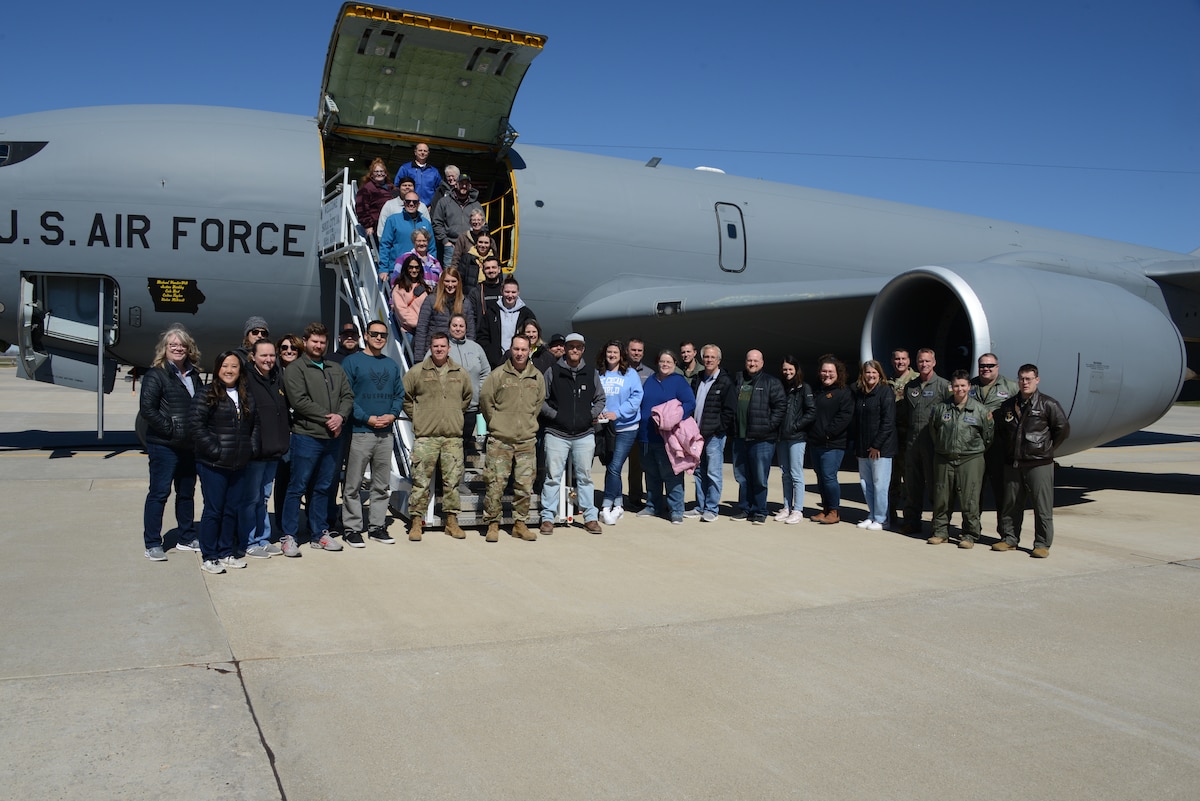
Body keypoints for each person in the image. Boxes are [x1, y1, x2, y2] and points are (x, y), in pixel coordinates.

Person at [281, 322, 354, 553]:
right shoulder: (296, 369)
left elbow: (347, 396)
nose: (319, 345)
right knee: (297, 486)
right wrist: (328, 418)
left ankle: (319, 533)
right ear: (305, 342)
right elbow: (299, 401)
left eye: (323, 342)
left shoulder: (334, 368)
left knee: (323, 487)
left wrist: (340, 417)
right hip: (307, 437)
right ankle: (289, 535)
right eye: (315, 341)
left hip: (333, 438)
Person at [190, 350, 259, 574]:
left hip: (238, 463)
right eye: (225, 366)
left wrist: (251, 448)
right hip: (214, 464)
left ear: (240, 371)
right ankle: (209, 556)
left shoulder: (245, 395)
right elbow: (197, 426)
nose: (229, 371)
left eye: (234, 367)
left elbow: (254, 425)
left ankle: (226, 551)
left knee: (231, 510)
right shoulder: (207, 394)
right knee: (214, 510)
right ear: (218, 368)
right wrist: (215, 450)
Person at [140, 325, 204, 560]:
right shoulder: (156, 374)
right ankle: (153, 543)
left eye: (182, 345)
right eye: (173, 345)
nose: (178, 348)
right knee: (159, 493)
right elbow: (147, 409)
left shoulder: (193, 375)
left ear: (189, 349)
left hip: (189, 446)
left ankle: (186, 537)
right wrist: (171, 429)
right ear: (164, 349)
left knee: (186, 493)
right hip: (164, 445)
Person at [994, 364, 1071, 558]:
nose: (1025, 382)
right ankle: (1009, 539)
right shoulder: (1009, 405)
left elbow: (1062, 429)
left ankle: (1042, 543)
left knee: (1042, 506)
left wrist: (1046, 449)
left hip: (1039, 464)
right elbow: (1003, 431)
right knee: (1011, 504)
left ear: (1037, 380)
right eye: (1021, 379)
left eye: (1029, 379)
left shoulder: (1048, 404)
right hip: (1014, 463)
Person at [402, 331, 473, 541]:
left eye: (443, 346)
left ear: (449, 348)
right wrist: (420, 417)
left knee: (452, 482)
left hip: (452, 437)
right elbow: (405, 397)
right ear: (430, 348)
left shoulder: (460, 373)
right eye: (435, 346)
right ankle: (416, 522)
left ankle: (451, 521)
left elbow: (467, 397)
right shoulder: (417, 372)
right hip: (426, 436)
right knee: (420, 481)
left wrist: (452, 414)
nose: (439, 349)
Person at [340, 319, 405, 547]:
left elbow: (399, 394)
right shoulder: (352, 362)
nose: (379, 338)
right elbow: (346, 396)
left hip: (386, 434)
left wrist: (393, 414)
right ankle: (352, 528)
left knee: (381, 484)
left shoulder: (390, 365)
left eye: (383, 335)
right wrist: (366, 417)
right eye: (374, 334)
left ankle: (377, 527)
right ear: (365, 336)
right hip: (360, 432)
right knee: (353, 484)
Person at [479, 333, 545, 542]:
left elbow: (538, 405)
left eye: (524, 350)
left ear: (529, 351)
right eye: (516, 349)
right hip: (501, 440)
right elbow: (486, 401)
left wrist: (526, 424)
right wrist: (498, 423)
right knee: (495, 484)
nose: (519, 353)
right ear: (510, 349)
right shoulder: (498, 375)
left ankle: (520, 524)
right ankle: (493, 524)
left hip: (526, 440)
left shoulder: (537, 377)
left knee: (525, 485)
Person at [539, 333, 606, 535]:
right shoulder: (553, 371)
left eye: (578, 347)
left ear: (583, 349)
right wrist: (555, 416)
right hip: (557, 433)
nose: (574, 350)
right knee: (552, 477)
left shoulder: (591, 373)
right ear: (566, 349)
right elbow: (541, 399)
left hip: (584, 434)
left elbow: (601, 399)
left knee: (585, 477)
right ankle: (548, 517)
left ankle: (590, 517)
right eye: (571, 347)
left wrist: (589, 415)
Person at [928, 369, 994, 547]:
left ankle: (970, 534)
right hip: (944, 458)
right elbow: (934, 431)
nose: (959, 389)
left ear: (969, 387)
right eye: (956, 385)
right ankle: (940, 531)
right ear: (951, 387)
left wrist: (972, 450)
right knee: (942, 496)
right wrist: (944, 447)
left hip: (970, 459)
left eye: (963, 385)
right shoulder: (941, 408)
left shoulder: (980, 410)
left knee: (969, 498)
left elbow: (988, 436)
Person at [242, 338, 294, 558]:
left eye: (272, 355)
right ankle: (249, 539)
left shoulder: (276, 379)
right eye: (263, 355)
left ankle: (262, 538)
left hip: (273, 449)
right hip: (255, 451)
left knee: (263, 497)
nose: (268, 359)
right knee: (251, 498)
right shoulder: (246, 380)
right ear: (253, 356)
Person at [636, 350, 697, 524]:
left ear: (675, 364)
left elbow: (690, 403)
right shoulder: (651, 380)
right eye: (662, 361)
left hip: (668, 438)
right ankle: (653, 505)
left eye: (668, 362)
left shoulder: (678, 381)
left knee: (672, 474)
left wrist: (675, 417)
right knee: (651, 473)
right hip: (646, 436)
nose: (665, 365)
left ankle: (676, 509)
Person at [730, 349, 786, 524]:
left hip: (762, 439)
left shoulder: (771, 382)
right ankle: (745, 508)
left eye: (755, 361)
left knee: (760, 477)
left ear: (762, 363)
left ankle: (760, 511)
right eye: (749, 361)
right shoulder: (738, 379)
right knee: (742, 476)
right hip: (740, 437)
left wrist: (768, 426)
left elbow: (780, 406)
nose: (752, 364)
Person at [899, 348, 950, 535]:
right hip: (913, 442)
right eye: (921, 361)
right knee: (912, 484)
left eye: (928, 361)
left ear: (934, 363)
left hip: (933, 443)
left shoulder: (944, 386)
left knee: (935, 485)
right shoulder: (910, 387)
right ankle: (911, 521)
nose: (924, 364)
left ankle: (939, 525)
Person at [596, 339, 644, 525]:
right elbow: (594, 397)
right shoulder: (599, 374)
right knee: (611, 466)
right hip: (605, 427)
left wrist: (618, 413)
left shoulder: (630, 374)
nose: (612, 355)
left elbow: (636, 397)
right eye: (609, 352)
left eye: (616, 352)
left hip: (626, 427)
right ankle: (618, 505)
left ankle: (606, 505)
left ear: (621, 355)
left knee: (615, 466)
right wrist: (597, 411)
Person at [969, 352, 1019, 526]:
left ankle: (1006, 533)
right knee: (973, 492)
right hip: (974, 446)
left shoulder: (1011, 387)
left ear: (997, 367)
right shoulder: (969, 385)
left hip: (999, 447)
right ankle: (972, 531)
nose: (986, 369)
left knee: (1002, 492)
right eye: (982, 366)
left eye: (990, 366)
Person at [689, 344, 736, 523]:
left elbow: (729, 410)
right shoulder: (697, 379)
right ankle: (700, 506)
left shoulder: (725, 381)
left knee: (713, 472)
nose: (709, 360)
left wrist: (719, 428)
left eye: (712, 357)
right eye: (706, 357)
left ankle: (711, 508)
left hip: (714, 435)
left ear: (719, 360)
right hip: (697, 434)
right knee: (699, 471)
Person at [808, 355, 854, 525]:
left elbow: (844, 417)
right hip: (816, 443)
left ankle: (834, 511)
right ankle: (826, 508)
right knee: (820, 477)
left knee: (829, 477)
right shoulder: (818, 391)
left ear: (838, 373)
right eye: (824, 371)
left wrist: (827, 433)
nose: (827, 374)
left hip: (833, 444)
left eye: (830, 371)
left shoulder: (844, 393)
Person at [852, 359, 896, 531]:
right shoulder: (861, 393)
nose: (870, 375)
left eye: (874, 372)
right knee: (866, 483)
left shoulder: (885, 392)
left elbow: (888, 422)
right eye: (867, 372)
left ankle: (882, 518)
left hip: (881, 449)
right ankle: (872, 515)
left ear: (880, 374)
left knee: (880, 484)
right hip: (863, 448)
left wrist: (877, 445)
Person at [774, 355, 815, 524]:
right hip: (781, 437)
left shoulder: (804, 388)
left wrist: (796, 426)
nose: (787, 372)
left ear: (796, 370)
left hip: (797, 437)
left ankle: (798, 509)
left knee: (796, 473)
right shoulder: (781, 387)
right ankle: (786, 506)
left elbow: (811, 412)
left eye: (790, 369)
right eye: (785, 369)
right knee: (785, 473)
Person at [446, 313, 491, 454]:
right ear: (449, 328)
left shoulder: (476, 348)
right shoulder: (441, 347)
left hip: (472, 408)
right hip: (449, 409)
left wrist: (479, 391)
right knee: (450, 448)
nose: (458, 329)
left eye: (461, 326)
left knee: (470, 448)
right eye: (454, 325)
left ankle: (465, 474)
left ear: (466, 328)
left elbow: (485, 371)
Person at [413, 267, 477, 362]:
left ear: (458, 282)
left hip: (457, 353)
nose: (450, 285)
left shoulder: (465, 303)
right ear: (442, 282)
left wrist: (470, 354)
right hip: (434, 352)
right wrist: (418, 358)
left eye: (453, 281)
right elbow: (422, 329)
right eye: (447, 281)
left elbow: (470, 332)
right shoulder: (431, 300)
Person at [272, 333, 303, 525]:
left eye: (293, 348)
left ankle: (296, 520)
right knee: (282, 480)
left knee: (300, 481)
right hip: (282, 435)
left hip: (302, 432)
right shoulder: (274, 374)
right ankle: (282, 522)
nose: (289, 351)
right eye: (284, 348)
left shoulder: (304, 373)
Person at [888, 348, 920, 526]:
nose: (900, 362)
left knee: (910, 480)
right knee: (892, 479)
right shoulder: (887, 380)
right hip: (893, 437)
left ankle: (910, 517)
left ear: (909, 361)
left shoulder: (916, 380)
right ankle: (890, 514)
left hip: (909, 435)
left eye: (903, 359)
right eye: (897, 359)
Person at [478, 276, 536, 368]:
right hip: (495, 362)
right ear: (502, 292)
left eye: (513, 292)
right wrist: (490, 355)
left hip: (519, 361)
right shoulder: (492, 312)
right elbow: (483, 336)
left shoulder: (526, 314)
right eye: (507, 292)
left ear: (518, 293)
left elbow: (533, 337)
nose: (510, 295)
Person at [377, 194, 436, 279]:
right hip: (398, 269)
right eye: (408, 201)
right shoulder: (392, 220)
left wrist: (432, 268)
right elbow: (385, 245)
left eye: (414, 202)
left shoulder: (425, 223)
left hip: (421, 270)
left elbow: (431, 247)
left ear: (419, 204)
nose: (411, 204)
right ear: (404, 203)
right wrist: (383, 269)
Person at [431, 172, 483, 270]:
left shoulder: (476, 205)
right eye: (461, 183)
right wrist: (445, 241)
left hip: (471, 246)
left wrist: (477, 242)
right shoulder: (444, 202)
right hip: (451, 245)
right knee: (450, 277)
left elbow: (483, 224)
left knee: (470, 277)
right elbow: (437, 223)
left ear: (470, 186)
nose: (464, 186)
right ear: (456, 184)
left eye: (466, 184)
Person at [624, 338, 653, 511]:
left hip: (641, 426)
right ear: (627, 351)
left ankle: (636, 498)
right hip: (621, 425)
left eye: (639, 351)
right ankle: (613, 498)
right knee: (615, 465)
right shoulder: (619, 370)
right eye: (633, 350)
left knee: (639, 465)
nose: (636, 353)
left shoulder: (649, 374)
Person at [390, 254, 429, 353]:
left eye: (416, 267)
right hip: (410, 331)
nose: (414, 270)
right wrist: (419, 324)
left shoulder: (425, 286)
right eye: (411, 267)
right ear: (406, 268)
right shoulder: (399, 288)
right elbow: (402, 312)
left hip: (425, 330)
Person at [354, 158, 396, 245]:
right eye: (376, 172)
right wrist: (368, 225)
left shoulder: (391, 188)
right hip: (376, 226)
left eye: (381, 171)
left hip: (391, 225)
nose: (379, 173)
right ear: (371, 174)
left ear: (385, 173)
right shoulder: (367, 188)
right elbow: (361, 208)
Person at [393, 142, 441, 207]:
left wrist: (433, 206)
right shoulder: (405, 168)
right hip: (409, 205)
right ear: (415, 152)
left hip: (428, 208)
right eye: (420, 150)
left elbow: (439, 191)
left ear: (428, 153)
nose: (422, 153)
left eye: (425, 151)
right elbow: (397, 187)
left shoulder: (434, 171)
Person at [475, 256, 504, 331]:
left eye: (494, 267)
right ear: (483, 271)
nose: (491, 270)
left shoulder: (507, 290)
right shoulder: (476, 291)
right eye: (487, 268)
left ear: (499, 269)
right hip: (483, 333)